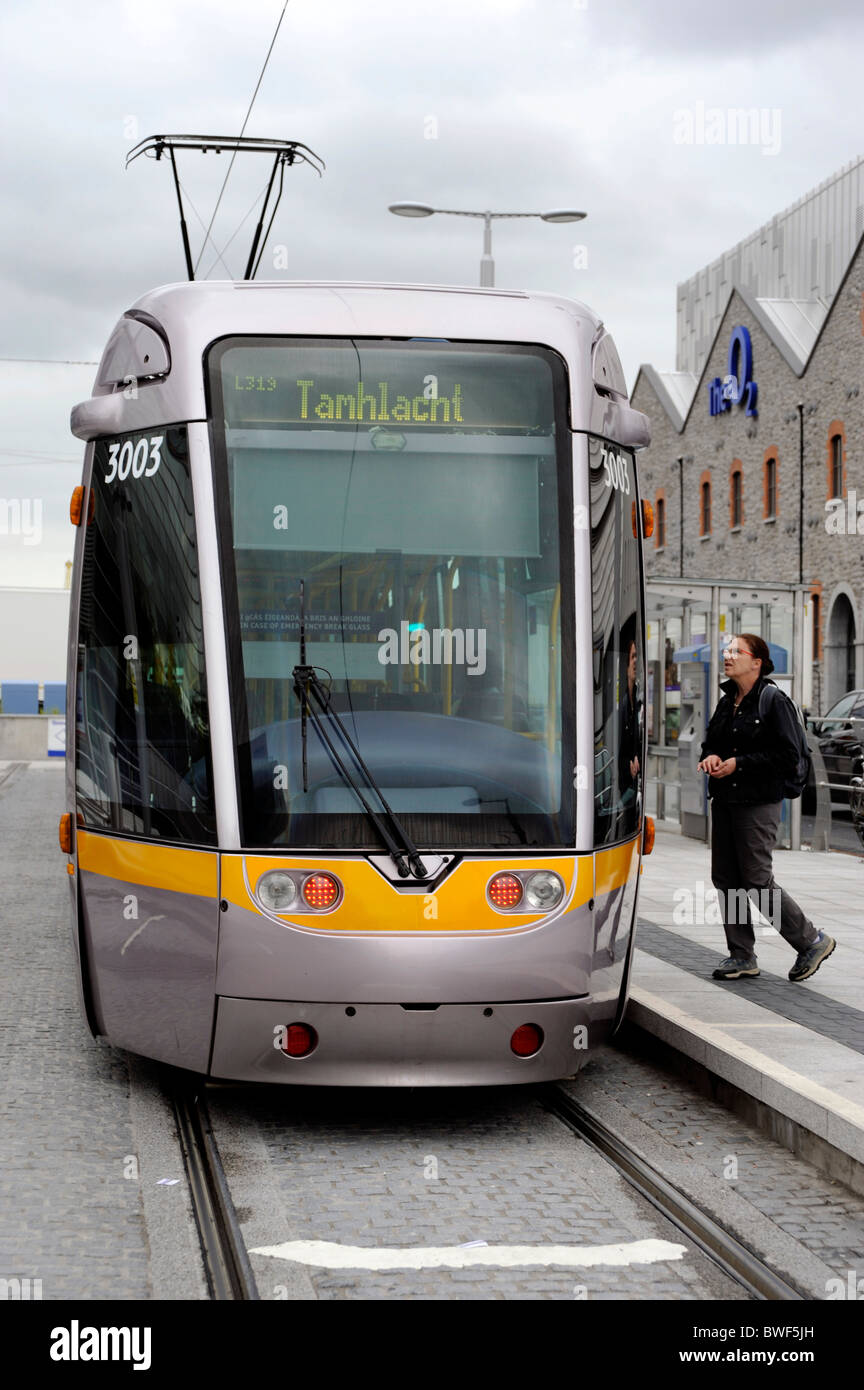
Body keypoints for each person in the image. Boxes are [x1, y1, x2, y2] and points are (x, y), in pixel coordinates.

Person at [696, 634, 836, 983]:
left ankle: (811, 941)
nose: (728, 656)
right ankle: (741, 955)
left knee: (757, 880)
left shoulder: (774, 701)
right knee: (727, 879)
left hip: (757, 803)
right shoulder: (727, 701)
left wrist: (739, 764)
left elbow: (788, 756)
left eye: (736, 651)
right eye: (726, 651)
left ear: (756, 662)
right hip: (725, 801)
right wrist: (711, 757)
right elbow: (711, 743)